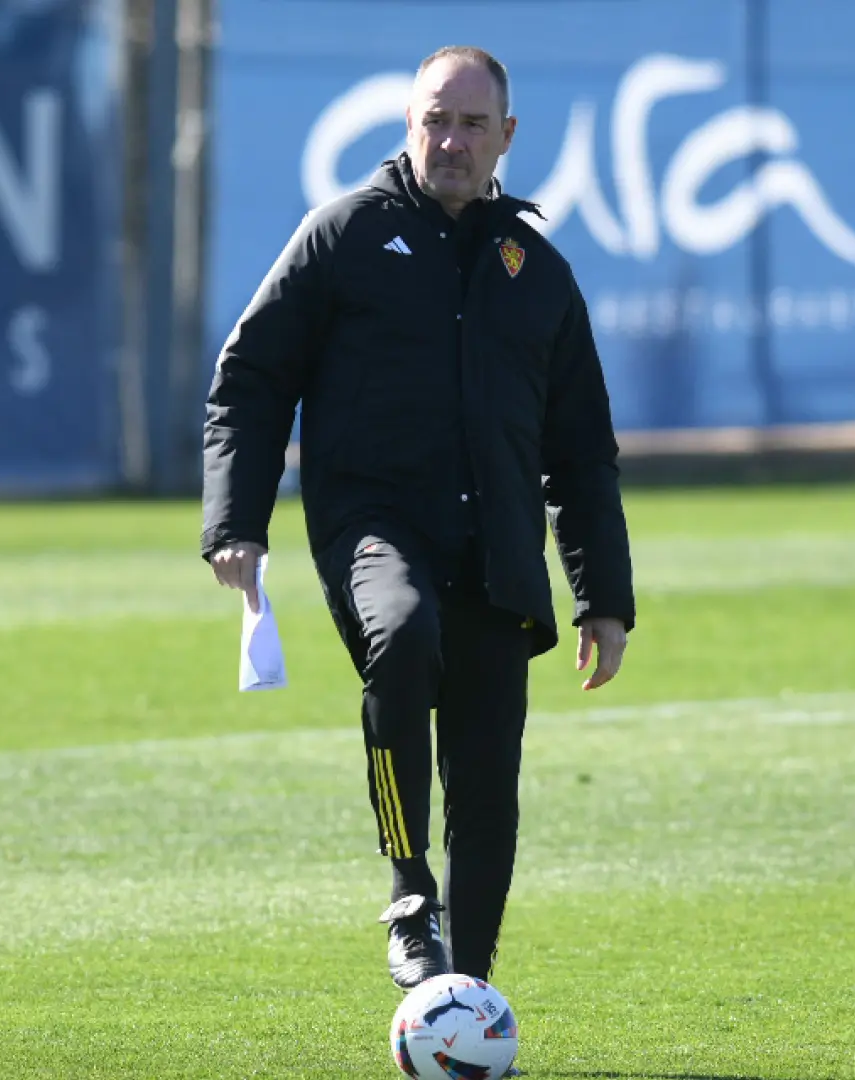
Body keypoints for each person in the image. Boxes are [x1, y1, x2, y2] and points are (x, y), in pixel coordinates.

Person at [201, 45, 635, 991]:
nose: (452, 140)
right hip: (375, 527)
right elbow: (250, 379)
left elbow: (582, 454)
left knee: (488, 789)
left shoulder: (540, 273)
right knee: (401, 636)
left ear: (506, 137)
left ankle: (467, 998)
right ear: (409, 124)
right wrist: (237, 519)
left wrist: (604, 598)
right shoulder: (343, 236)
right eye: (436, 119)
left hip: (498, 550)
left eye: (472, 124)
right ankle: (408, 890)